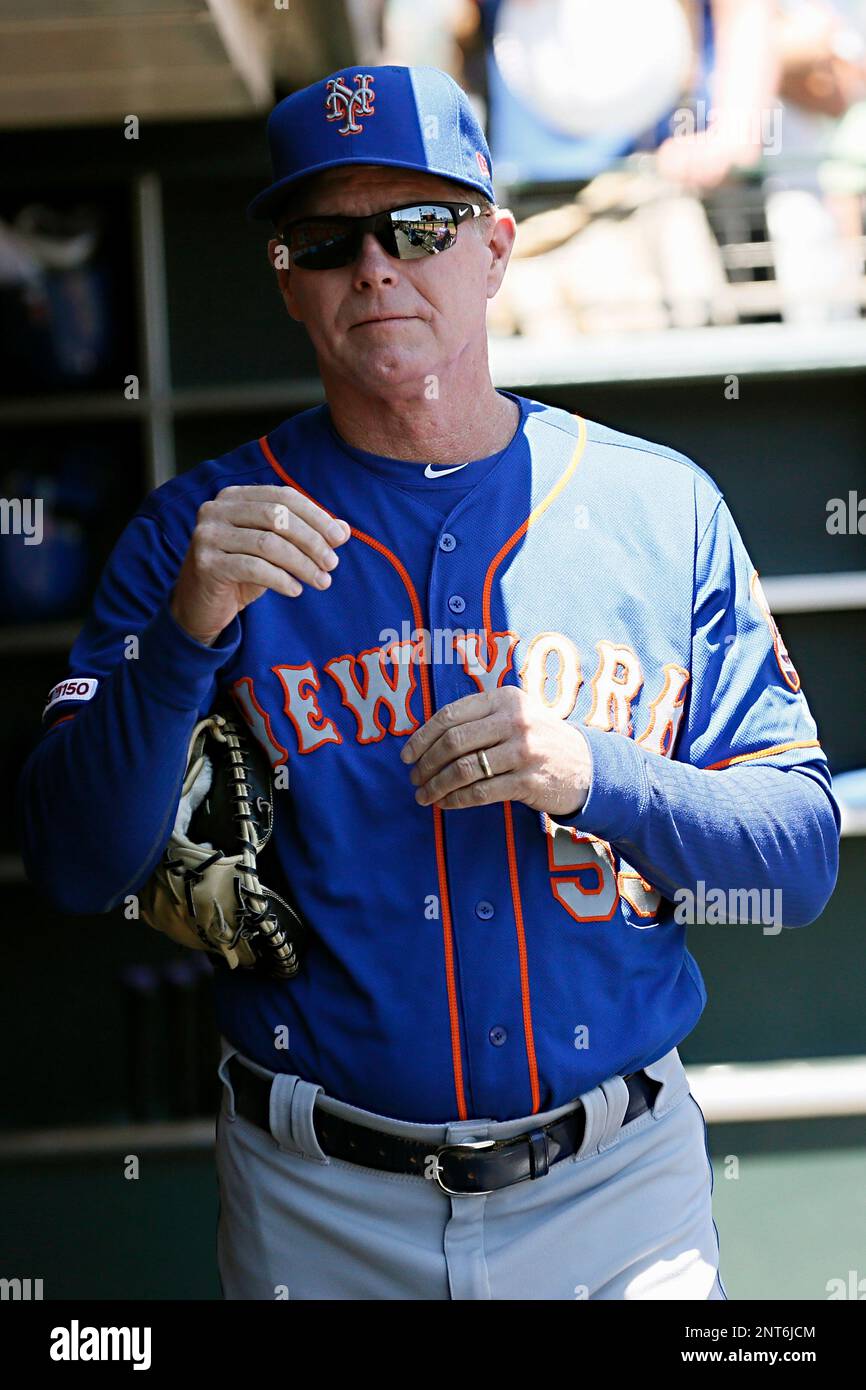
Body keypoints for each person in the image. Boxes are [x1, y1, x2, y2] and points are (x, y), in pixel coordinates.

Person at [17, 64, 839, 1301]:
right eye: (325, 238)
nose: (375, 267)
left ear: (495, 248)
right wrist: (183, 643)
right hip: (317, 1199)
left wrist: (593, 774)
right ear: (286, 279)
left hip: (619, 1196)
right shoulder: (198, 534)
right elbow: (78, 864)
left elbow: (799, 859)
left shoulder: (656, 506)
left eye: (419, 226)